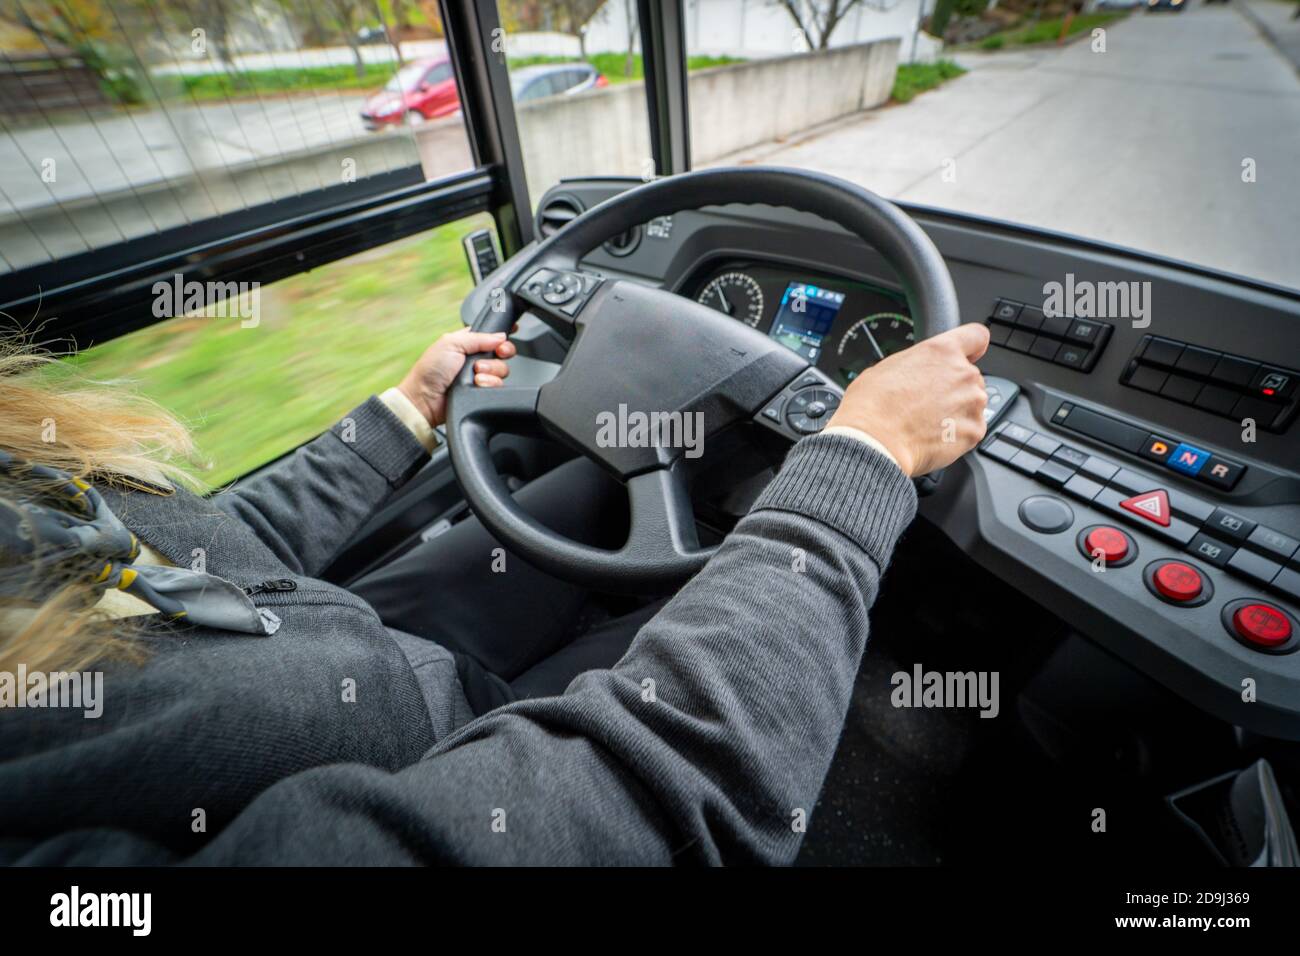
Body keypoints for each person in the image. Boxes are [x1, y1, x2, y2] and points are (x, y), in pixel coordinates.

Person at [0, 321, 989, 865]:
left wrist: (400, 414)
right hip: (440, 756)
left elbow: (188, 547)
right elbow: (648, 793)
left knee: (598, 499)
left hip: (346, 644)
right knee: (753, 614)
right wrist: (860, 457)